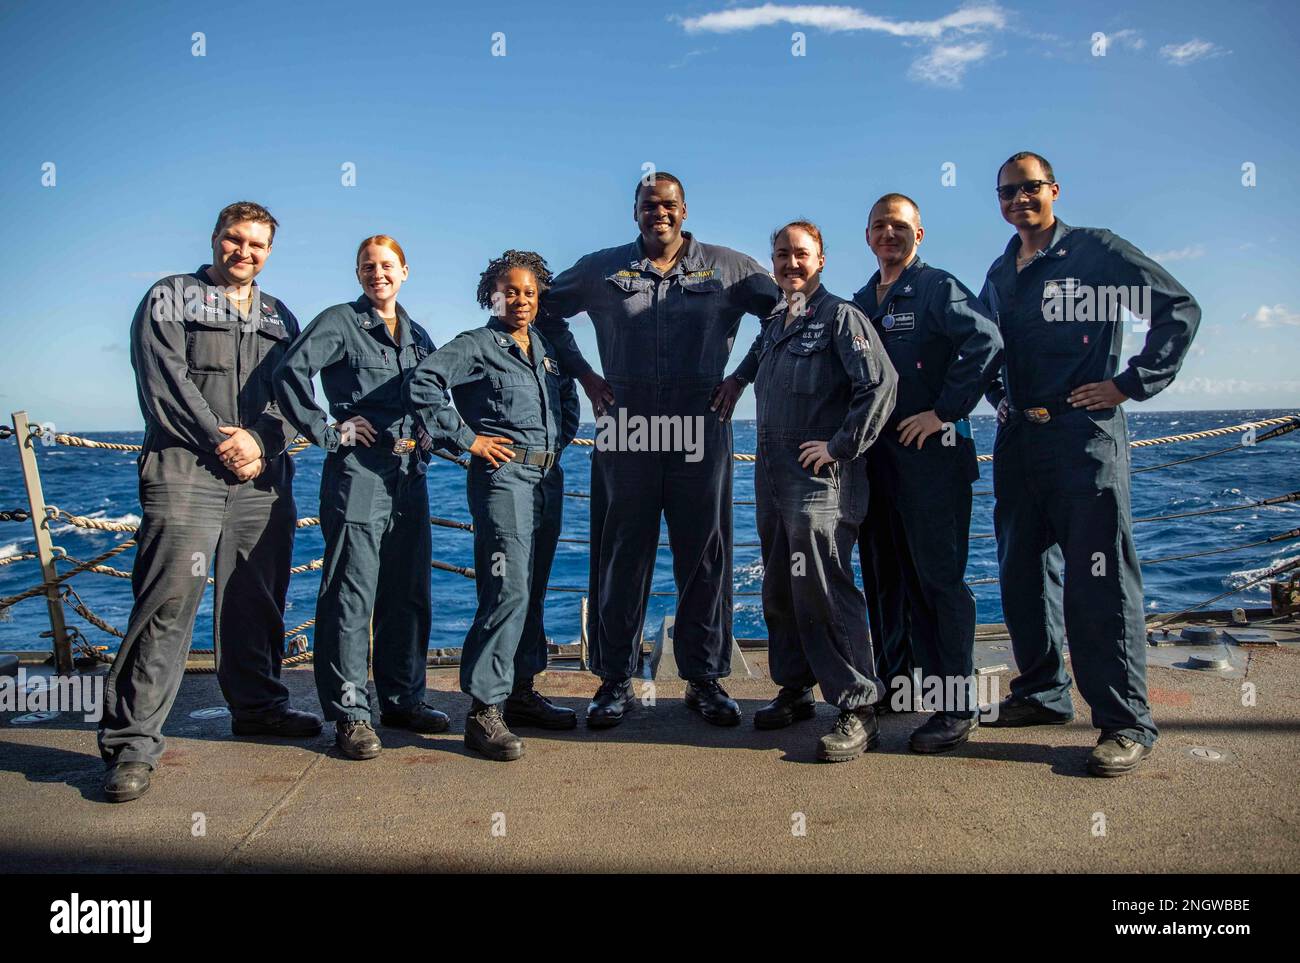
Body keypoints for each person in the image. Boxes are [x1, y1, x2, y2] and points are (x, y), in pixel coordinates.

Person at [979, 152, 1200, 776]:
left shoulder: (1096, 253)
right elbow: (983, 343)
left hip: (1084, 439)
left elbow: (1177, 309)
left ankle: (1125, 721)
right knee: (1022, 574)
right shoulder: (1001, 271)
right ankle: (1044, 694)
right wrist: (998, 398)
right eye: (1006, 192)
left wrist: (1130, 384)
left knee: (1099, 580)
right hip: (1019, 440)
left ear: (1054, 190)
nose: (1018, 200)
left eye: (1029, 189)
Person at [536, 172, 780, 728]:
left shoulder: (729, 266)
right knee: (622, 552)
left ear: (685, 209)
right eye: (649, 205)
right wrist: (586, 378)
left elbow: (786, 310)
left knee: (705, 554)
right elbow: (543, 311)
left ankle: (704, 678)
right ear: (635, 211)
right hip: (626, 426)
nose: (659, 213)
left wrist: (741, 377)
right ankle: (614, 678)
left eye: (669, 204)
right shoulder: (601, 268)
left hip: (702, 420)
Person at [99, 201, 322, 803]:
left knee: (256, 598)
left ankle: (258, 707)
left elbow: (294, 396)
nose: (244, 252)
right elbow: (164, 383)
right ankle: (131, 744)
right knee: (167, 604)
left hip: (261, 475)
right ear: (216, 238)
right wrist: (226, 441)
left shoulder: (281, 315)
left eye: (257, 244)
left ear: (270, 252)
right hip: (186, 470)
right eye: (234, 239)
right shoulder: (169, 297)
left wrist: (262, 440)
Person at [274, 235, 449, 761]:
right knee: (351, 595)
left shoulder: (417, 333)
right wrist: (327, 431)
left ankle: (403, 699)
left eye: (388, 265)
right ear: (358, 273)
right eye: (369, 266)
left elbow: (436, 396)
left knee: (408, 591)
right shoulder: (340, 323)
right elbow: (288, 373)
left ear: (405, 271)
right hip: (360, 474)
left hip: (409, 475)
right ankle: (351, 713)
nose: (379, 274)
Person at [404, 250, 580, 761]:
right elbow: (424, 382)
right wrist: (468, 440)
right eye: (509, 291)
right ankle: (484, 710)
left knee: (535, 587)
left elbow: (565, 398)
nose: (520, 299)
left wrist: (557, 444)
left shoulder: (544, 345)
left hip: (547, 476)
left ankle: (520, 692)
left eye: (528, 291)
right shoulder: (477, 345)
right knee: (507, 587)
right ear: (491, 295)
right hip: (504, 478)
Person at [741, 221, 897, 762]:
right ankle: (795, 688)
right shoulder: (776, 321)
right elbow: (757, 361)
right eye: (781, 254)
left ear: (822, 260)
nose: (790, 263)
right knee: (781, 588)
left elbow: (880, 384)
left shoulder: (840, 317)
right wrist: (732, 383)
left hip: (819, 482)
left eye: (801, 254)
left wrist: (840, 446)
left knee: (825, 589)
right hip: (771, 477)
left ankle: (859, 707)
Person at [852, 193, 1003, 753]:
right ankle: (898, 682)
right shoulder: (861, 300)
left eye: (900, 226)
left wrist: (945, 410)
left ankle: (955, 707)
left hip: (932, 460)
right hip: (877, 466)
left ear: (920, 234)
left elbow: (986, 341)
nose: (889, 234)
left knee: (937, 583)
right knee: (885, 578)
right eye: (879, 226)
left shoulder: (939, 287)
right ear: (867, 236)